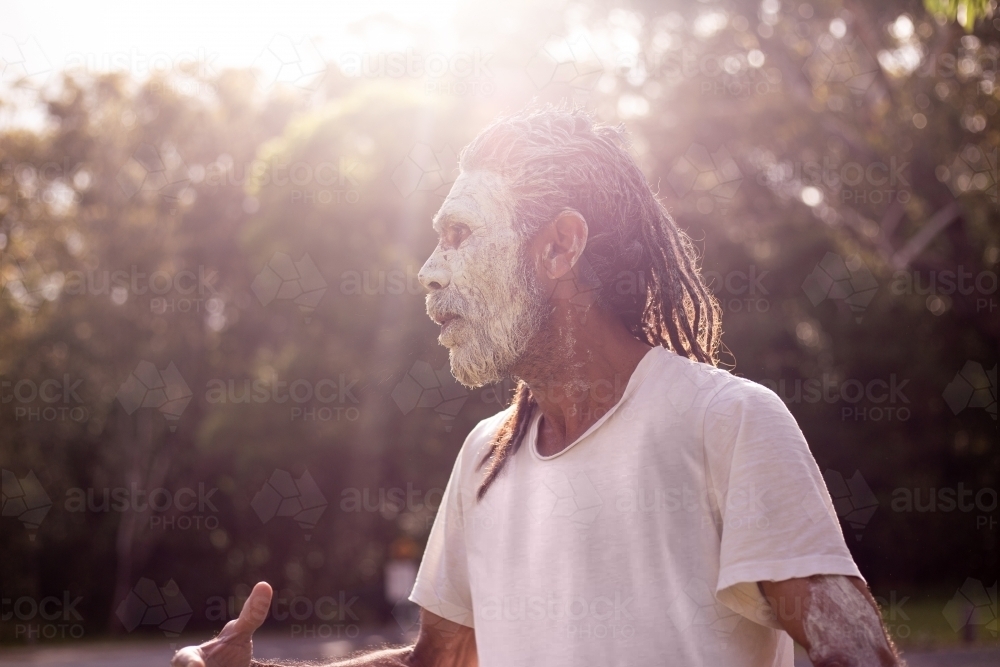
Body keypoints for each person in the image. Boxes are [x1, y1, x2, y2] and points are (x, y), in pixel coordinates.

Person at [173, 108, 902, 667]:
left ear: (559, 244)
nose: (430, 269)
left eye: (459, 234)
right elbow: (439, 664)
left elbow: (858, 653)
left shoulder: (729, 422)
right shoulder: (482, 457)